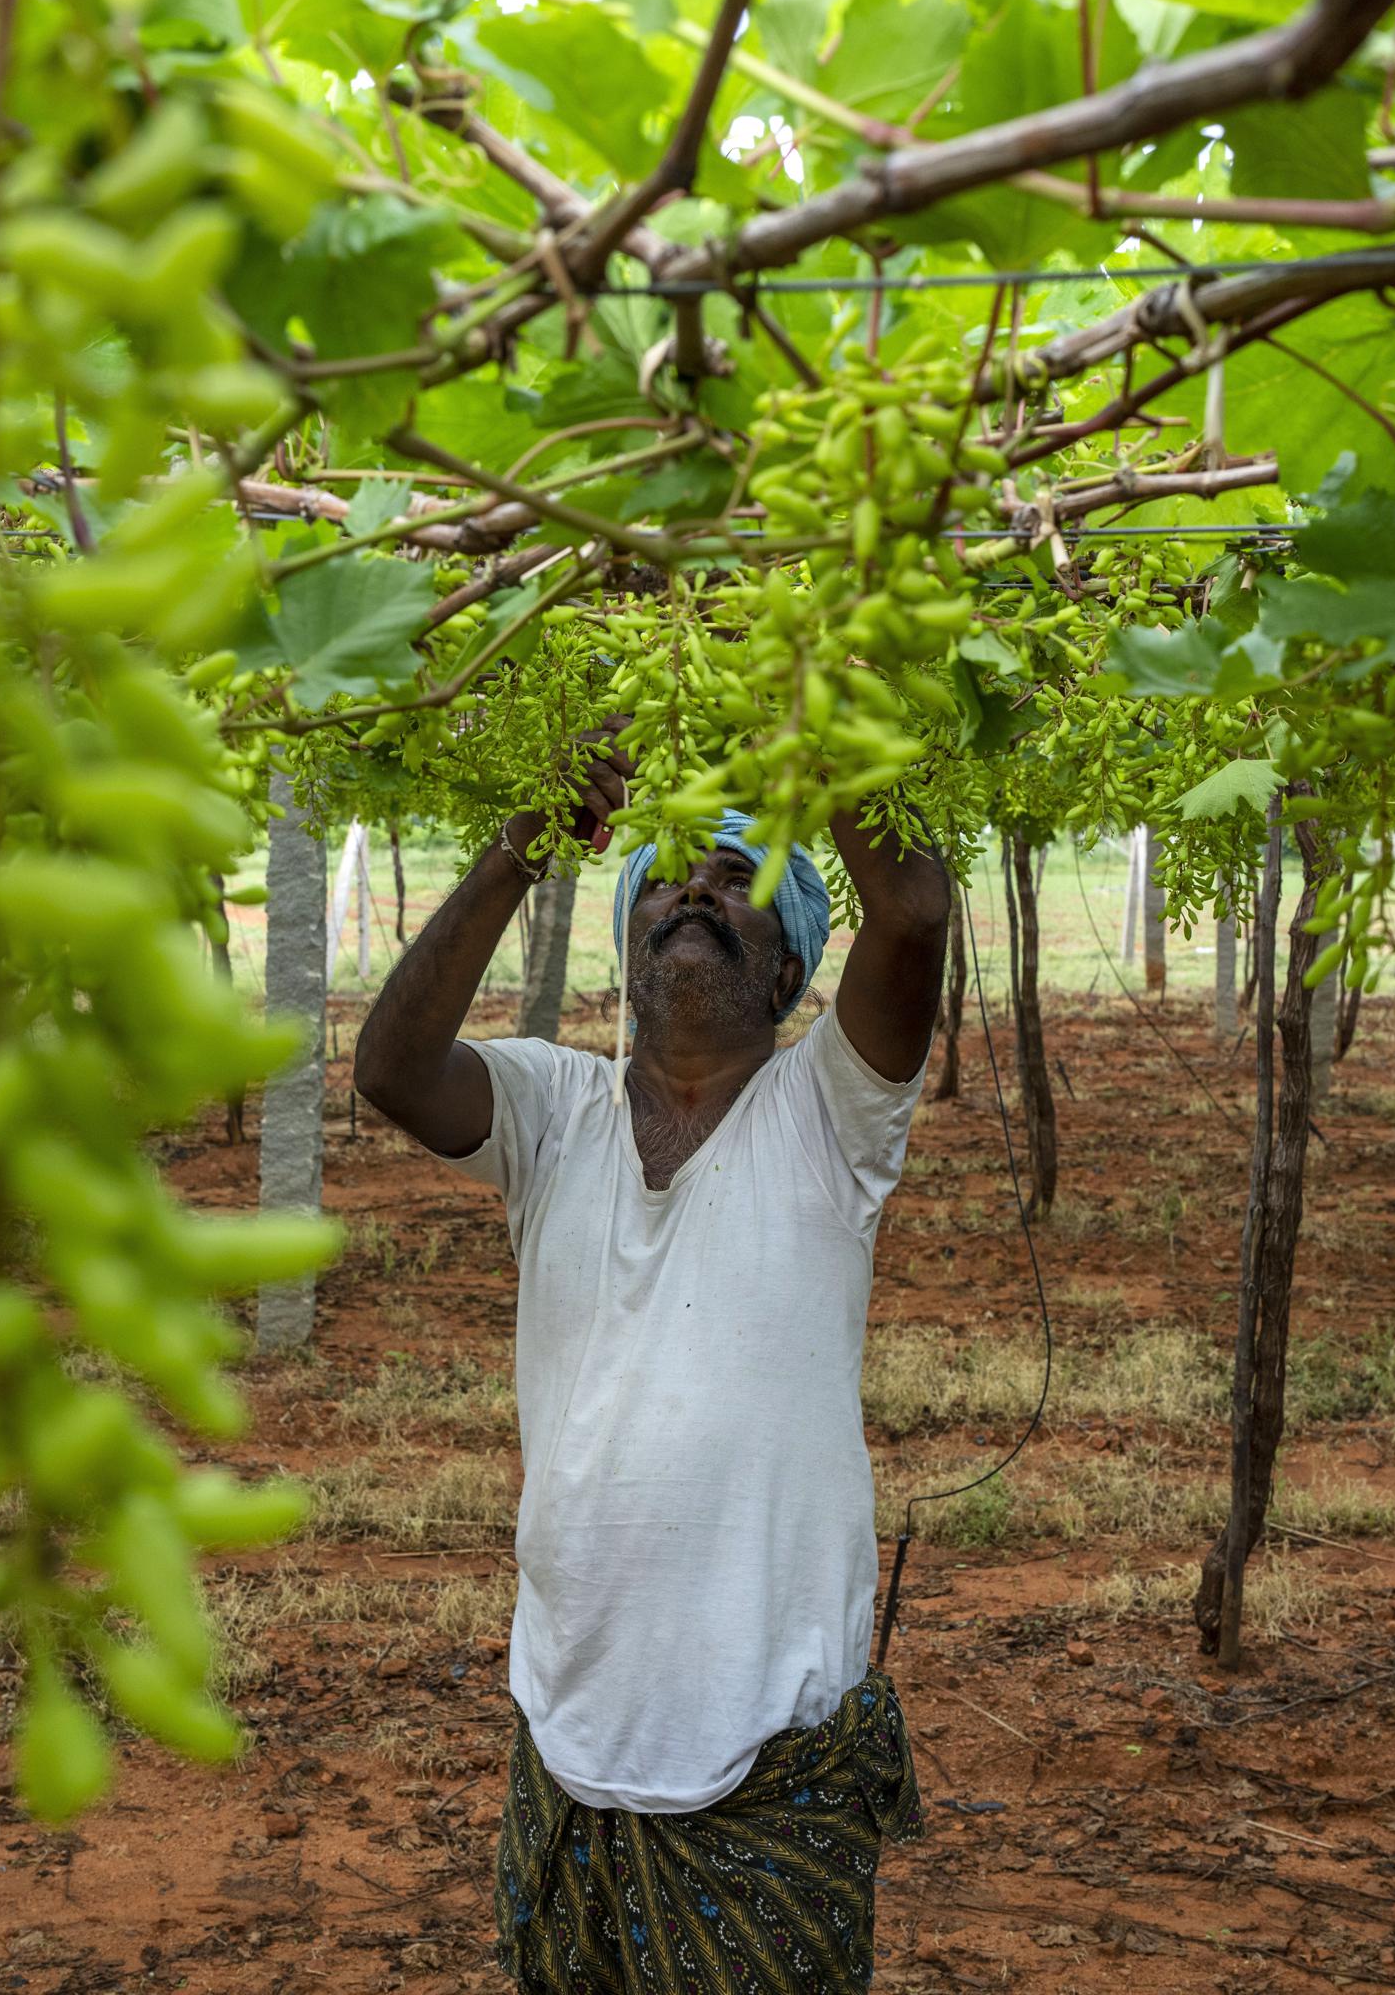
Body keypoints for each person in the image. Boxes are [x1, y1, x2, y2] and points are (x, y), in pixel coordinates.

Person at [352, 738, 952, 1995]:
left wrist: (812, 712)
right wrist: (525, 840)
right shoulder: (550, 1107)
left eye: (736, 879)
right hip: (567, 1729)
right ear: (626, 951)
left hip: (769, 1757)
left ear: (787, 967)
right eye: (668, 877)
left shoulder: (831, 1113)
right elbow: (392, 1070)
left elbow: (910, 914)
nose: (694, 891)